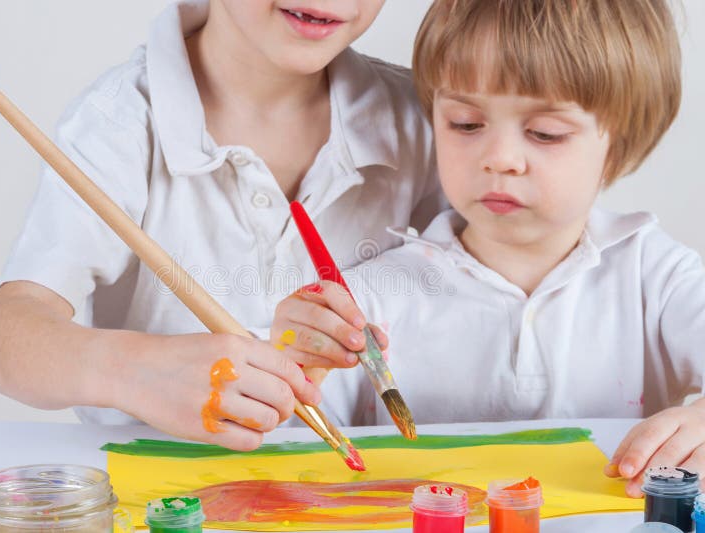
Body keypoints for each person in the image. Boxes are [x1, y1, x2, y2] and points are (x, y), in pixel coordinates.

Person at [272, 0, 704, 497]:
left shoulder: (657, 275)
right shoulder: (372, 295)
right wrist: (296, 373)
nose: (499, 159)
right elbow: (292, 459)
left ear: (620, 143)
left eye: (545, 133)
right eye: (465, 124)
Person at [0, 0, 444, 452]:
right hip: (161, 485)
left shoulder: (439, 120)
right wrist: (138, 370)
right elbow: (7, 338)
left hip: (357, 484)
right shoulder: (118, 123)